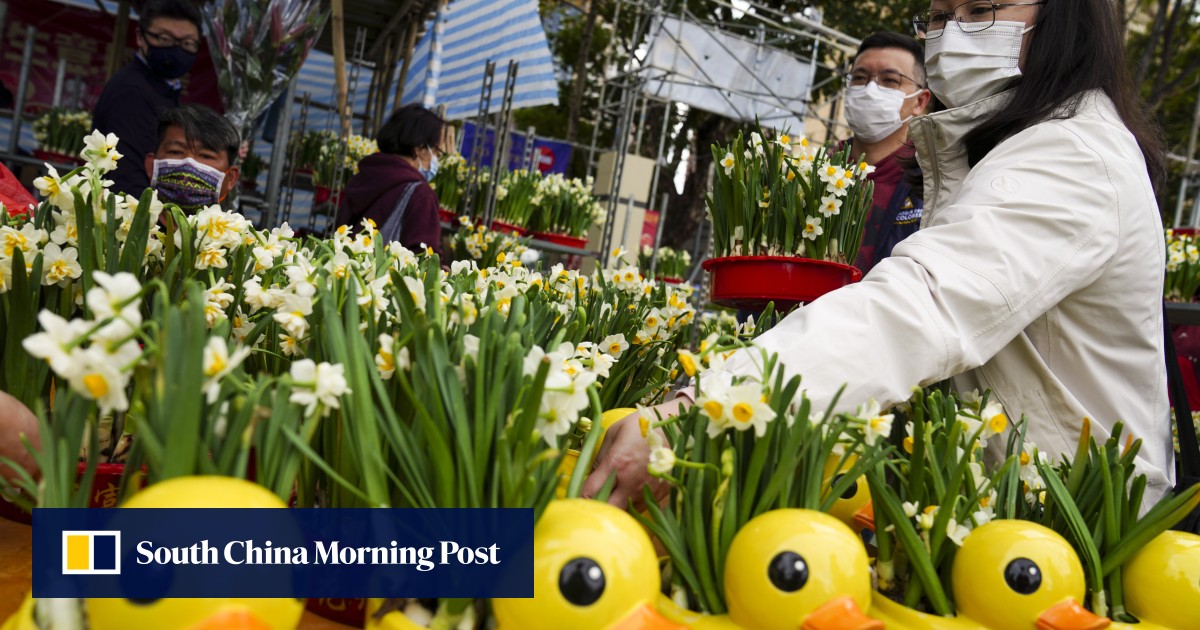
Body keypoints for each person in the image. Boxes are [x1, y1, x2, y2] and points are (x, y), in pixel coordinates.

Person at [586, 0, 1174, 511]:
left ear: (1066, 20)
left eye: (981, 10)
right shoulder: (998, 148)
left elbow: (922, 306)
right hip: (1010, 494)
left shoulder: (1071, 154)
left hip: (1075, 516)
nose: (953, 35)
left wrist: (703, 409)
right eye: (939, 17)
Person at [843, 32, 934, 274]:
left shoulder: (932, 184)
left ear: (919, 101)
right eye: (859, 78)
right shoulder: (813, 172)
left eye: (890, 80)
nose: (870, 89)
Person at [93, 0, 204, 197]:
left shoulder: (164, 89)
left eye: (187, 43)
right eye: (165, 39)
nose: (177, 50)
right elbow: (126, 178)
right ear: (140, 37)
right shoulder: (131, 92)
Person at [335, 104, 444, 258]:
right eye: (436, 152)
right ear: (419, 149)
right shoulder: (421, 195)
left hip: (344, 268)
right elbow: (424, 258)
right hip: (382, 273)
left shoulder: (364, 175)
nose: (436, 159)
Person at [145, 104, 241, 213]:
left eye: (206, 156)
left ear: (231, 178)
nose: (188, 165)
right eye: (175, 151)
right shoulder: (129, 221)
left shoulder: (239, 225)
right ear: (151, 166)